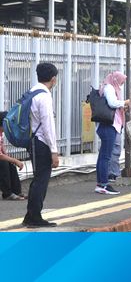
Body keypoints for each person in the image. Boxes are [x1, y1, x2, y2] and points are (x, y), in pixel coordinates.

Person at [23, 62, 59, 228]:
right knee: (41, 181)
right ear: (53, 79)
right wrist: (54, 150)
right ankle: (34, 217)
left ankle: (30, 215)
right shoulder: (44, 96)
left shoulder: (32, 92)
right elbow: (48, 125)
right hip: (41, 142)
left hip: (33, 140)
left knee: (38, 180)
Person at [95, 71, 128, 195]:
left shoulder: (108, 87)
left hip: (108, 125)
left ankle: (100, 183)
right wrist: (125, 103)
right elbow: (112, 103)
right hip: (109, 125)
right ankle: (103, 183)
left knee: (103, 155)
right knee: (106, 156)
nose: (122, 84)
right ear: (116, 79)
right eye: (121, 81)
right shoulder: (109, 88)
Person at [0, 111, 26, 201]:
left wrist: (10, 160)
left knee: (9, 163)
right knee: (3, 163)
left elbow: (2, 149)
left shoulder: (0, 133)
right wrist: (14, 160)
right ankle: (7, 193)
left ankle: (16, 191)